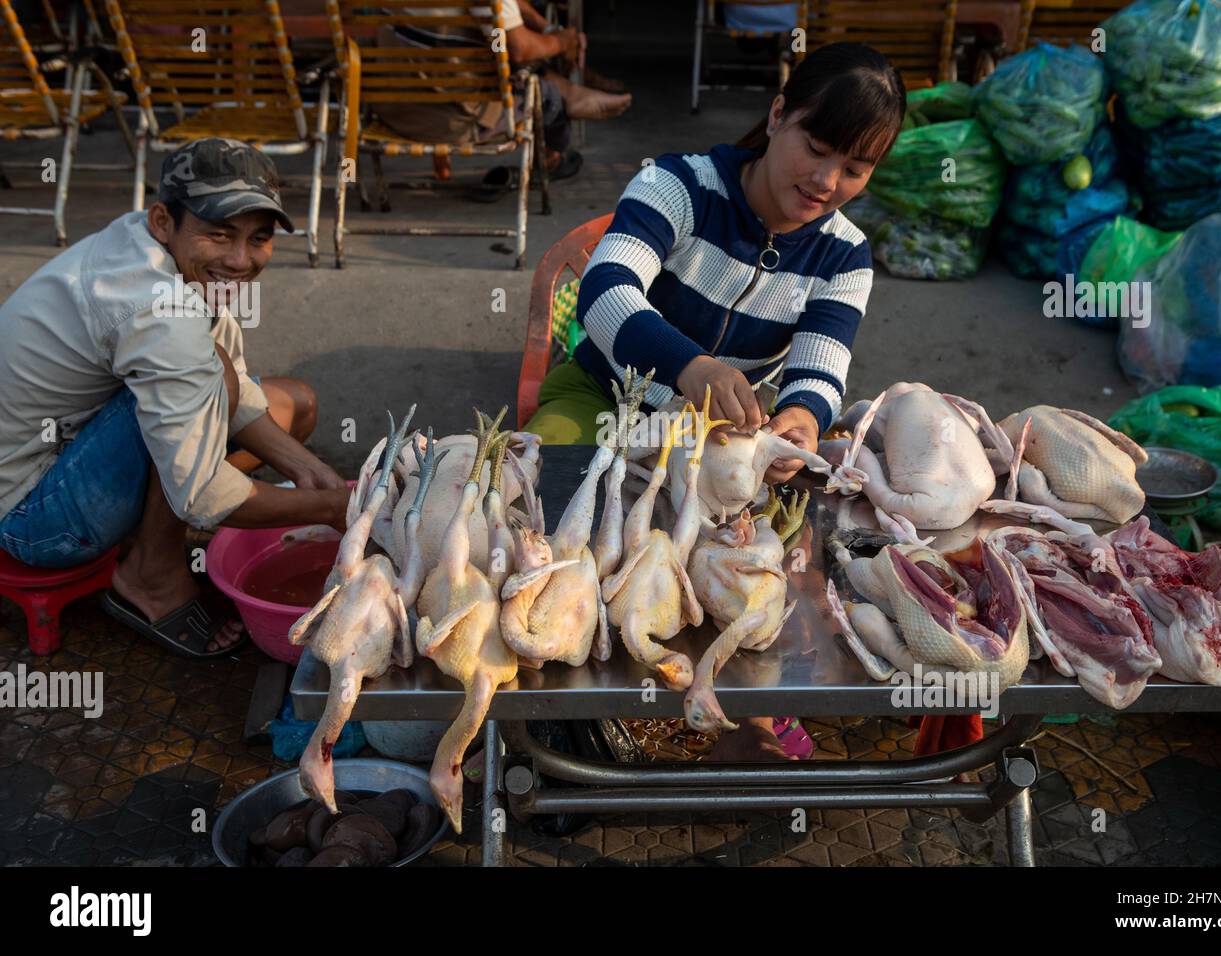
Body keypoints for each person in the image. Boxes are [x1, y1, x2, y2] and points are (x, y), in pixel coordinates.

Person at [523, 42, 906, 760]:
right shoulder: (677, 185)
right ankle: (555, 703)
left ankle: (738, 710)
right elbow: (605, 294)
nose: (826, 181)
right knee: (544, 517)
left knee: (748, 570)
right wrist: (688, 366)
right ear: (778, 114)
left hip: (720, 433)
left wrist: (802, 419)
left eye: (855, 169)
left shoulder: (844, 255)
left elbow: (822, 366)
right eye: (816, 148)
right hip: (604, 395)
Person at [0, 139, 350, 658]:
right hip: (31, 517)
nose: (240, 260)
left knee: (293, 404)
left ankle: (148, 537)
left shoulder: (156, 249)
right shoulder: (156, 308)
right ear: (163, 221)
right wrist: (334, 507)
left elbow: (235, 386)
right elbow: (202, 495)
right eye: (219, 234)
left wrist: (309, 471)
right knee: (212, 384)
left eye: (258, 239)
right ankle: (152, 577)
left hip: (72, 447)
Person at [376, 1, 631, 189]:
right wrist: (563, 42)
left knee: (488, 45)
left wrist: (547, 29)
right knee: (542, 91)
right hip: (458, 120)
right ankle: (551, 156)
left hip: (391, 112)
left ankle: (569, 90)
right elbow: (519, 49)